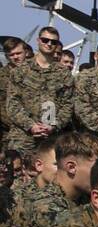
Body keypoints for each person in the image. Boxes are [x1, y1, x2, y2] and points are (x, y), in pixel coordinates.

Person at [5, 25, 74, 153]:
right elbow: (12, 104)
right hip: (23, 137)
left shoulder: (64, 74)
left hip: (51, 139)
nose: (49, 44)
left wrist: (53, 126)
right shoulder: (20, 71)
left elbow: (68, 105)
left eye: (53, 42)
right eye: (45, 40)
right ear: (38, 41)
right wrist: (31, 125)